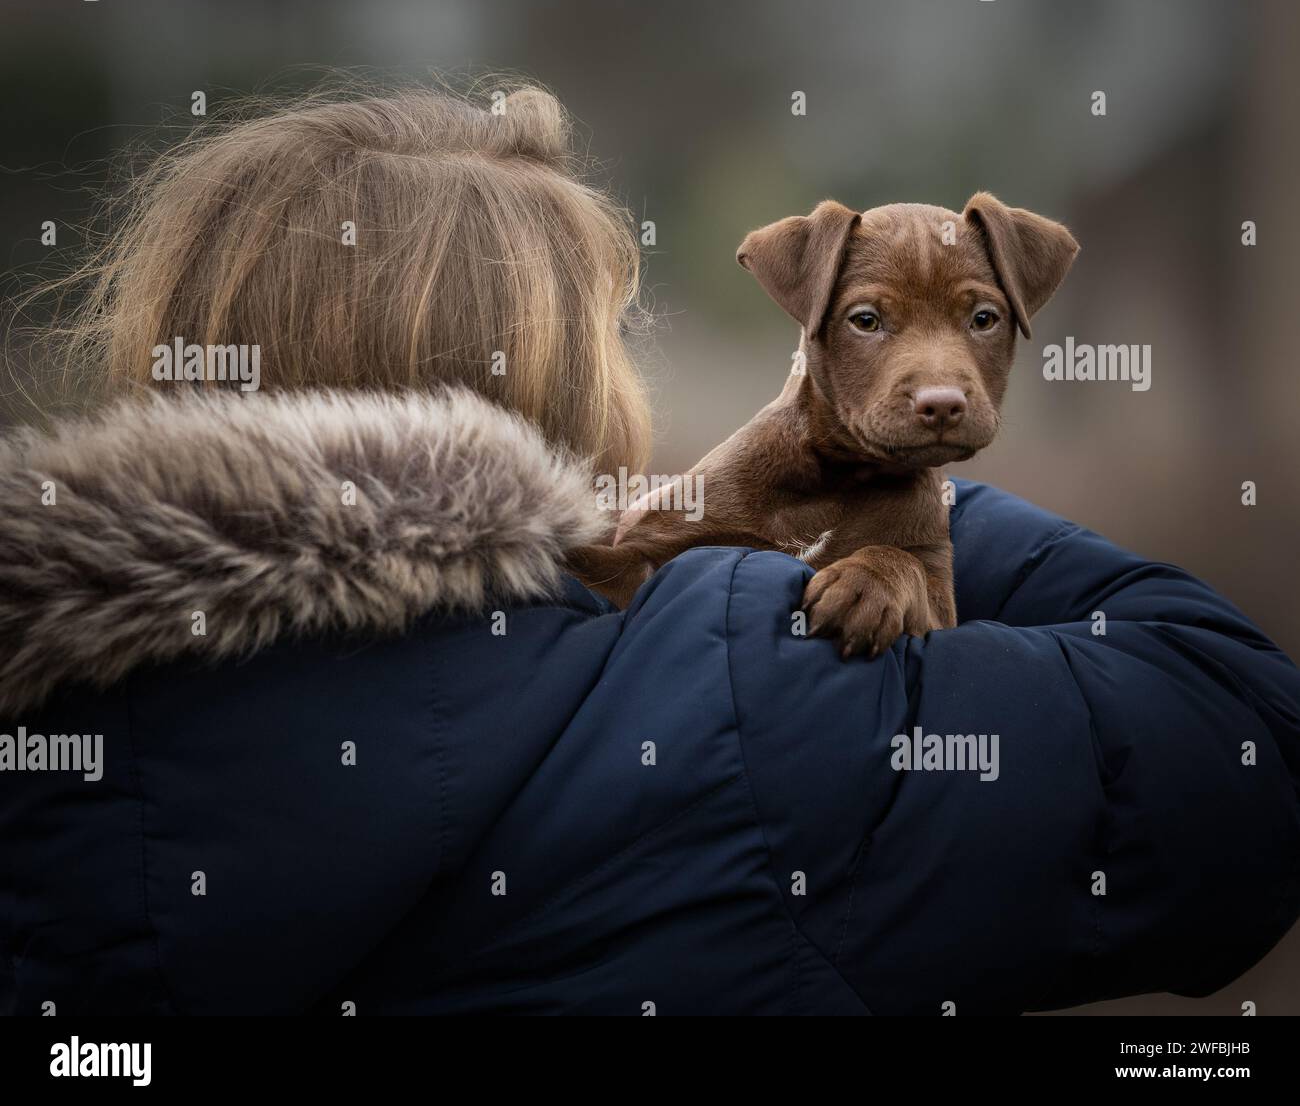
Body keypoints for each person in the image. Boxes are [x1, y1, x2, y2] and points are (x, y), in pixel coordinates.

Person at [0, 84, 1296, 1016]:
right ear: (557, 399)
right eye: (612, 341)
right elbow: (1247, 744)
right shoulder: (752, 702)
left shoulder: (48, 779)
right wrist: (870, 477)